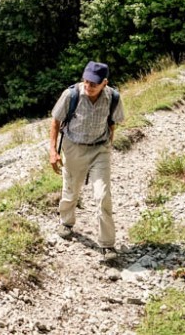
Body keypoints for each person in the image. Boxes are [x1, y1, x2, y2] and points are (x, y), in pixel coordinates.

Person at [48, 60, 124, 262]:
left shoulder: (113, 98)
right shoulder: (71, 95)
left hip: (100, 149)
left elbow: (112, 124)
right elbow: (55, 122)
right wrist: (53, 152)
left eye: (94, 83)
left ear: (104, 83)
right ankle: (66, 222)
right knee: (71, 189)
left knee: (103, 195)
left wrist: (108, 146)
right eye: (86, 81)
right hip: (74, 148)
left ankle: (107, 245)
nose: (88, 86)